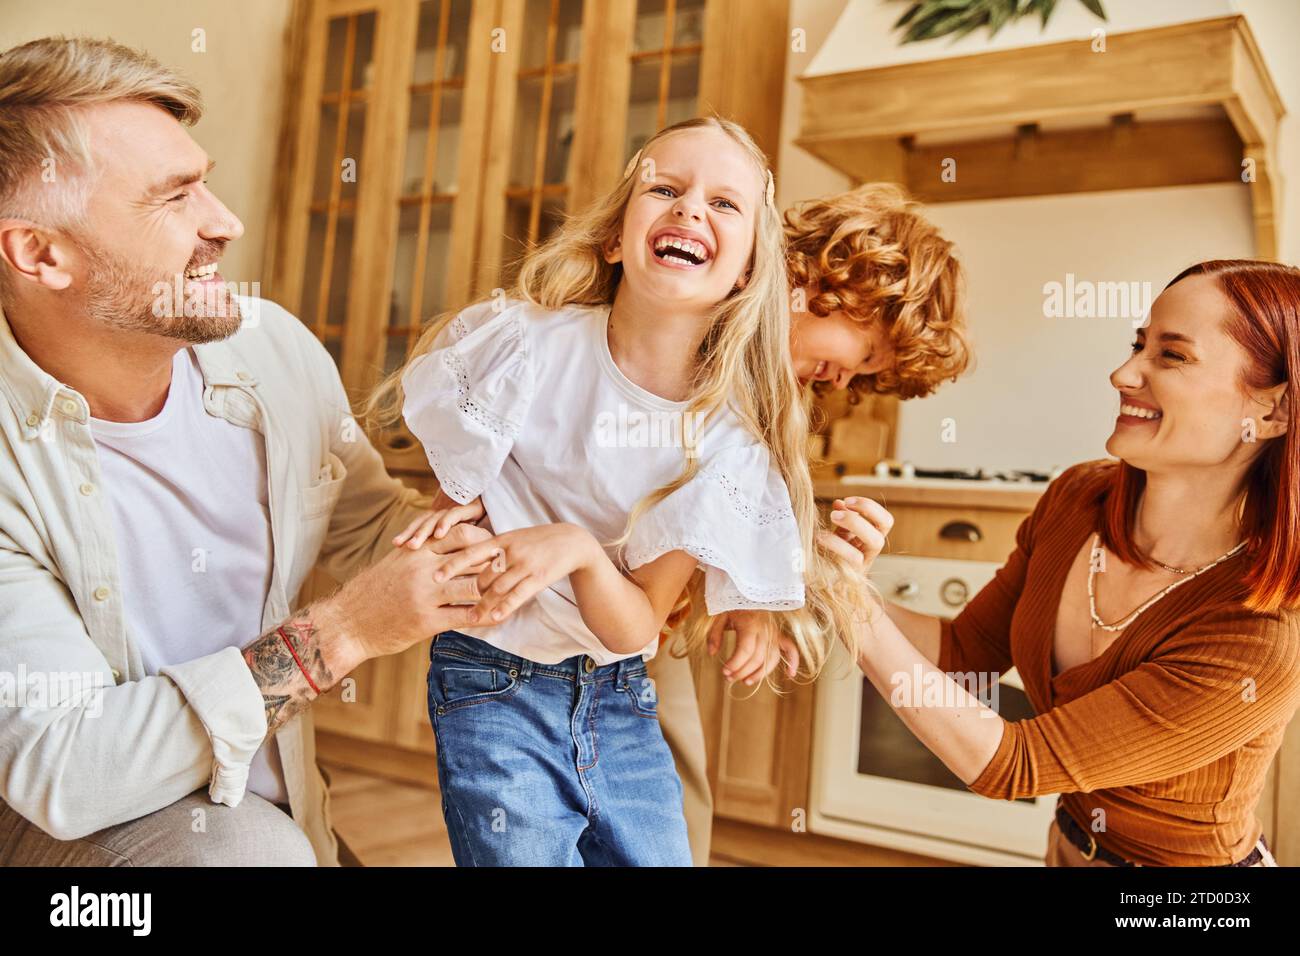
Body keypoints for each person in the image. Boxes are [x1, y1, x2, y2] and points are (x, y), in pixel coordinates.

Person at [0, 36, 485, 866]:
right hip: (65, 832)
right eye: (174, 198)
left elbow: (368, 533)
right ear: (41, 253)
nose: (225, 223)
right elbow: (68, 770)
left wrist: (510, 519)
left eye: (206, 183)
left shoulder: (274, 353)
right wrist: (342, 634)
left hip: (284, 803)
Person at [370, 116, 867, 866]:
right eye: (664, 188)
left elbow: (634, 627)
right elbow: (458, 490)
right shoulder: (526, 345)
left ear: (747, 273)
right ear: (614, 238)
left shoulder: (728, 444)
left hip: (619, 695)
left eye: (723, 204)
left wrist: (574, 550)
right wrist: (460, 506)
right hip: (490, 678)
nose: (690, 209)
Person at [829, 259, 1300, 866]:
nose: (1122, 373)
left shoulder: (1261, 630)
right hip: (1065, 850)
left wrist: (847, 607)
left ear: (1273, 412)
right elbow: (963, 655)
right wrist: (830, 584)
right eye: (1138, 345)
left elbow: (1009, 764)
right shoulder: (1079, 499)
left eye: (1172, 356)